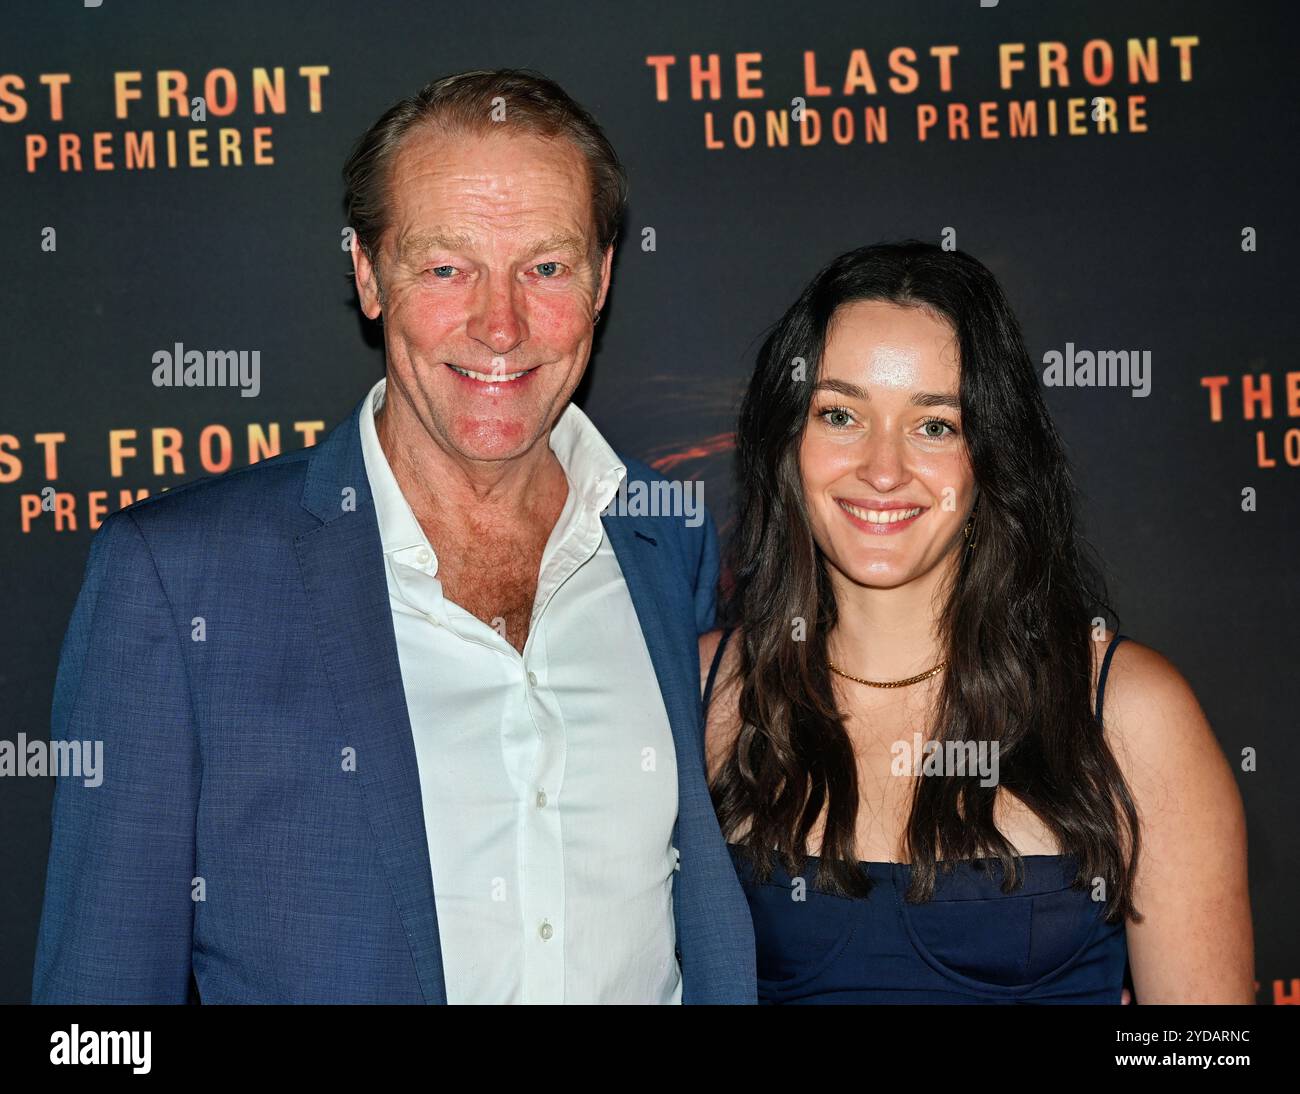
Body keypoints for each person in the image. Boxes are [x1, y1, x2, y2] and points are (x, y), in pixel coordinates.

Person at [33, 69, 754, 1004]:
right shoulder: (181, 581)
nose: (501, 324)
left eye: (546, 266)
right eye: (446, 267)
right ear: (369, 275)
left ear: (604, 276)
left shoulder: (667, 542)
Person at [699, 241, 1254, 1004]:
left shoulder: (1127, 712)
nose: (883, 469)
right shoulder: (705, 692)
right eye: (839, 414)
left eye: (935, 426)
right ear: (784, 443)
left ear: (992, 456)